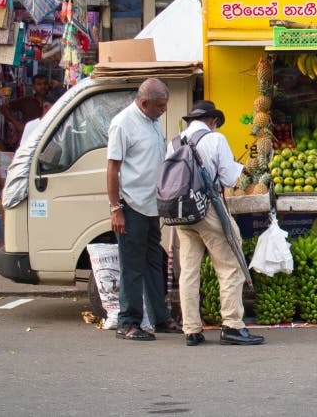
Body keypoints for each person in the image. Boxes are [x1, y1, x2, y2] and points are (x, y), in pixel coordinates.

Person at [170, 100, 264, 347]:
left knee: (189, 270)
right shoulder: (215, 139)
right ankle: (232, 325)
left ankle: (191, 329)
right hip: (207, 210)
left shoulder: (174, 142)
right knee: (230, 265)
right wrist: (241, 167)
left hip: (181, 213)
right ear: (212, 121)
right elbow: (229, 178)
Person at [107, 78, 182, 341]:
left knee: (153, 263)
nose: (164, 110)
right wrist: (116, 208)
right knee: (132, 266)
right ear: (144, 103)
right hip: (131, 205)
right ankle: (127, 323)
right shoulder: (123, 124)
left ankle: (160, 318)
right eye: (160, 106)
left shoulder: (152, 120)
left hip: (152, 206)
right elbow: (113, 169)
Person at [1, 74, 49, 149]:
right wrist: (16, 123)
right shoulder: (26, 100)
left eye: (45, 84)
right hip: (27, 140)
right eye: (39, 84)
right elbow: (4, 107)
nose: (43, 86)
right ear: (33, 86)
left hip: (47, 140)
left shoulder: (54, 101)